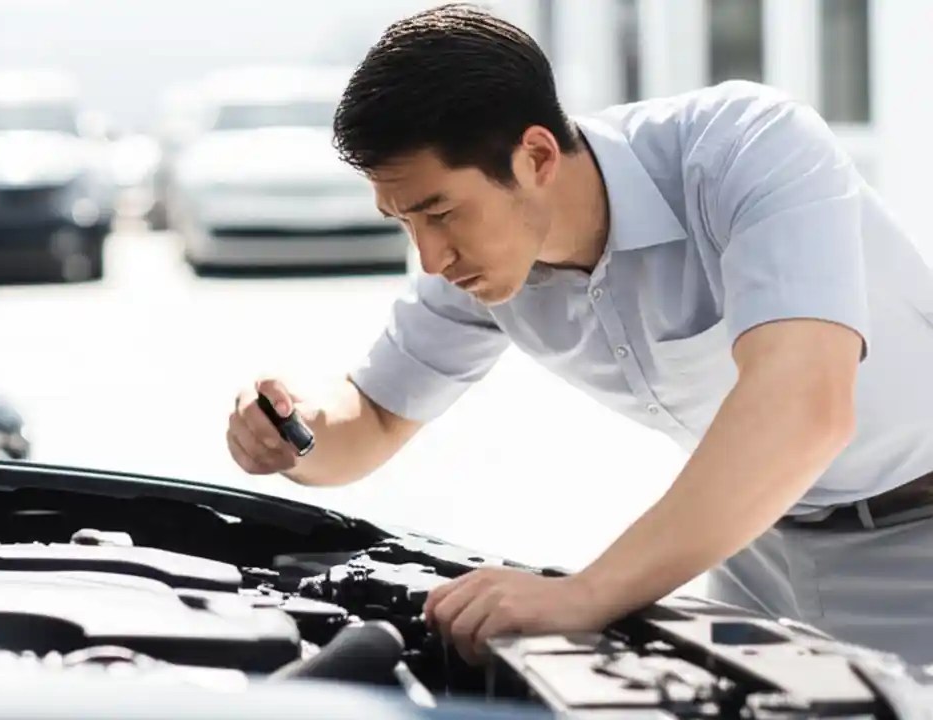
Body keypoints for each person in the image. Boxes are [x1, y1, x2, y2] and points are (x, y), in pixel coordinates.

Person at [225, 3, 933, 666]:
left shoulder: (746, 150)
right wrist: (295, 431)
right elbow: (373, 417)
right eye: (404, 222)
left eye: (439, 212)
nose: (431, 259)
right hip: (753, 544)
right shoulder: (482, 266)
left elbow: (804, 407)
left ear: (535, 158)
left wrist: (586, 594)